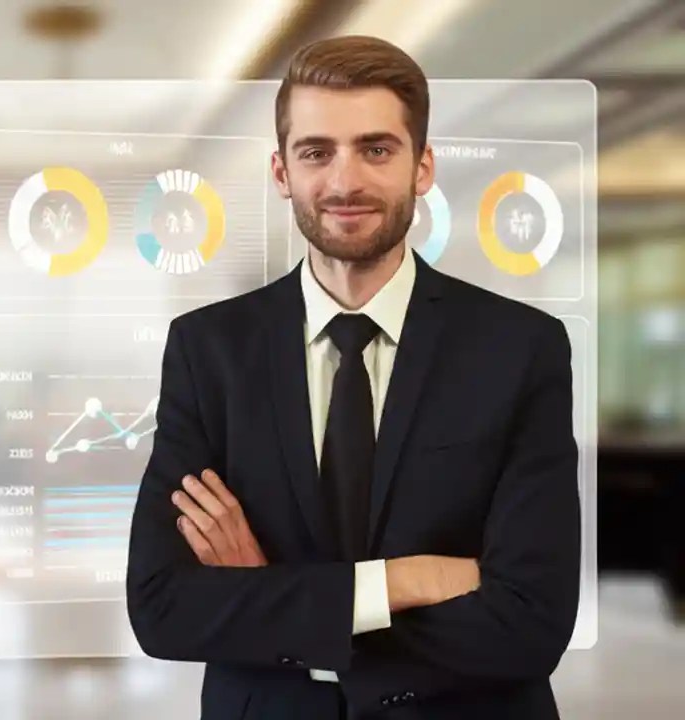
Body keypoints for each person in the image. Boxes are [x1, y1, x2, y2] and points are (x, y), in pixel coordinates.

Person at [125, 35, 580, 719]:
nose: (344, 182)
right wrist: (407, 581)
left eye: (376, 149)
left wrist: (275, 599)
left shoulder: (520, 349)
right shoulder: (209, 350)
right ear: (281, 172)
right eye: (316, 152)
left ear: (422, 167)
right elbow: (163, 608)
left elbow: (532, 622)